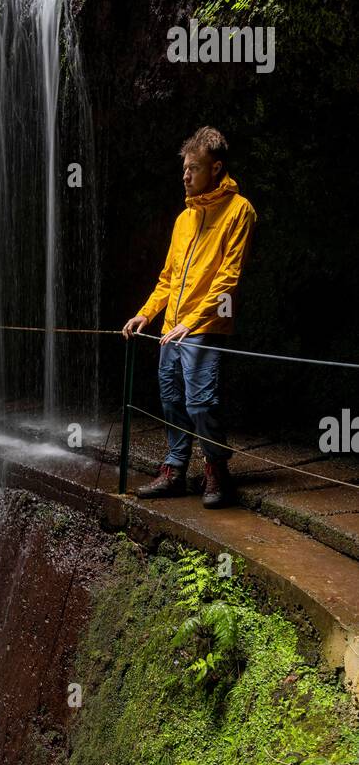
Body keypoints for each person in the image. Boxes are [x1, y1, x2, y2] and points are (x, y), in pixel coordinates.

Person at [122, 126, 256, 508]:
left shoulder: (240, 212)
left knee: (201, 402)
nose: (185, 175)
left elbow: (228, 279)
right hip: (170, 329)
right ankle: (175, 469)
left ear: (215, 168)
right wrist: (145, 315)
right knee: (171, 400)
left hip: (204, 326)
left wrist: (193, 321)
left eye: (193, 168)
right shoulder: (184, 219)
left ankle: (216, 470)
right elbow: (168, 279)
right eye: (184, 168)